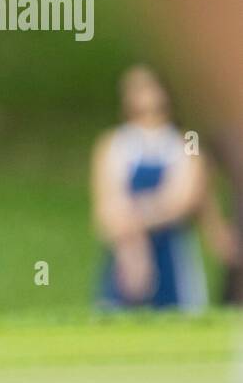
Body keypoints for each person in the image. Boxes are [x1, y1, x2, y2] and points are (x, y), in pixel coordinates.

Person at [91, 65, 231, 310]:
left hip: (171, 250)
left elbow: (183, 199)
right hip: (125, 249)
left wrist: (135, 220)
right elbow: (106, 203)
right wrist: (131, 245)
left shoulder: (185, 141)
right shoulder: (113, 143)